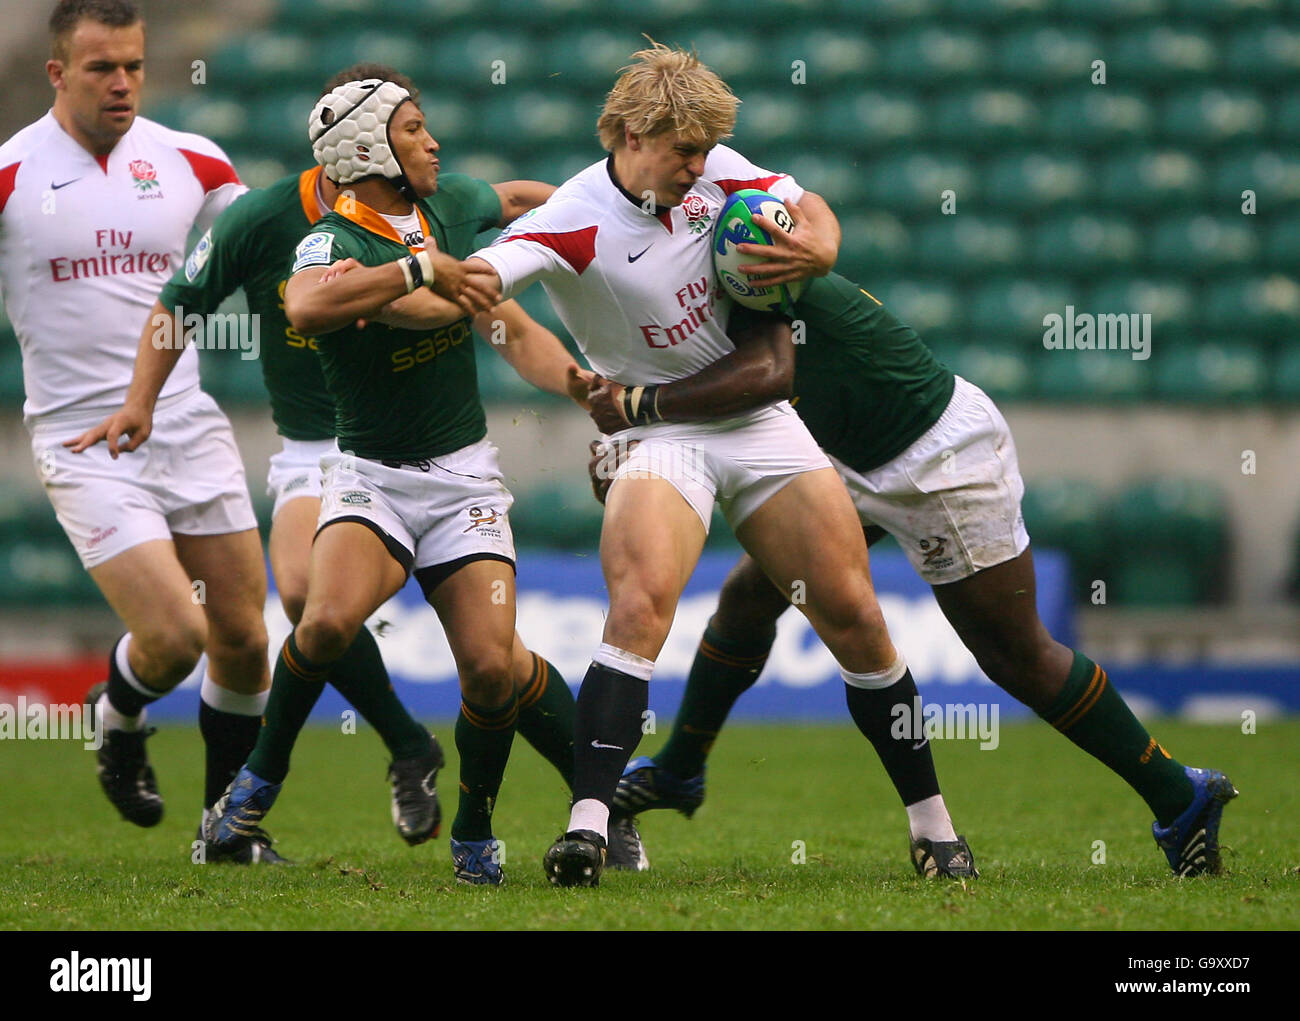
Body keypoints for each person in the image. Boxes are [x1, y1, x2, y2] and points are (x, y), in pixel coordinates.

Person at [463, 43, 973, 887]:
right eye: (683, 151)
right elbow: (490, 273)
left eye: (706, 151)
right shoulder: (571, 218)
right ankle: (589, 826)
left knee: (857, 617)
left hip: (760, 423)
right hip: (657, 432)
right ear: (629, 133)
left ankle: (934, 828)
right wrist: (424, 279)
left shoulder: (717, 171)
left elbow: (805, 203)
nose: (699, 167)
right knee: (639, 608)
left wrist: (820, 247)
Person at [70, 64, 581, 858]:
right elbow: (195, 302)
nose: (434, 141)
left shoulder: (441, 205)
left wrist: (606, 205)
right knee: (315, 599)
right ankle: (370, 756)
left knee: (496, 663)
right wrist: (139, 402)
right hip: (334, 452)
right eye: (414, 127)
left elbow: (513, 209)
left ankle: (592, 799)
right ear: (364, 145)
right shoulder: (279, 225)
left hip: (455, 468)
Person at [591, 269, 1238, 879]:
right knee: (747, 598)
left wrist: (641, 414)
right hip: (842, 454)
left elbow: (764, 373)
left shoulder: (740, 249)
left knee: (1016, 654)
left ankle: (1180, 797)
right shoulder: (669, 270)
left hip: (931, 452)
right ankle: (680, 769)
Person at [0, 0, 277, 860]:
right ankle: (116, 712)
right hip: (83, 440)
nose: (121, 83)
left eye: (132, 66)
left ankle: (225, 832)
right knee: (174, 636)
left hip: (186, 421)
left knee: (244, 638)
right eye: (99, 68)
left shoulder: (192, 161)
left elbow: (266, 252)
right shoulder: (10, 176)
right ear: (56, 73)